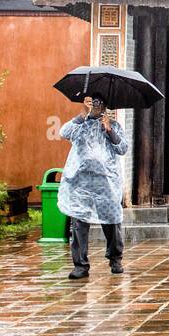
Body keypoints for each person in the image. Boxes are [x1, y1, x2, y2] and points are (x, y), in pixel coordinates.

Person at [57, 95, 129, 280]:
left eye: (100, 102)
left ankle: (115, 259)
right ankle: (80, 265)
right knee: (79, 222)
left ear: (106, 105)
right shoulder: (80, 124)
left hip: (106, 182)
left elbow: (122, 148)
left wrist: (110, 130)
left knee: (112, 222)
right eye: (93, 102)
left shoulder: (113, 125)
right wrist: (82, 115)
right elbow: (64, 132)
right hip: (81, 183)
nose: (96, 106)